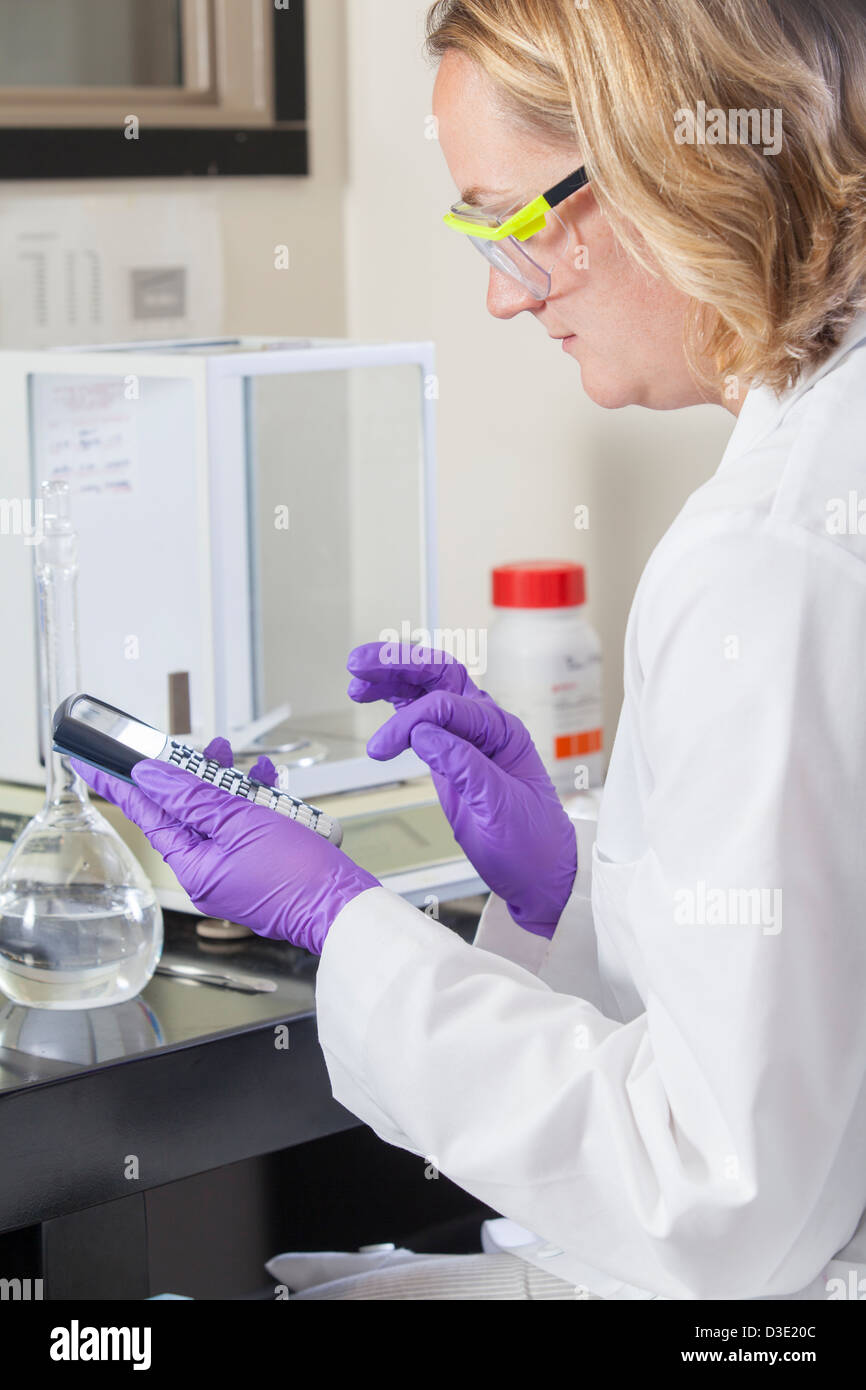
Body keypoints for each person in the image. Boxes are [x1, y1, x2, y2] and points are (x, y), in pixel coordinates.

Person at [75, 0, 866, 1300]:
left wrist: (346, 922)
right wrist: (568, 899)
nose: (503, 294)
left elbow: (715, 1206)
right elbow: (799, 1005)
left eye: (506, 220)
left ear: (678, 159)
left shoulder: (770, 556)